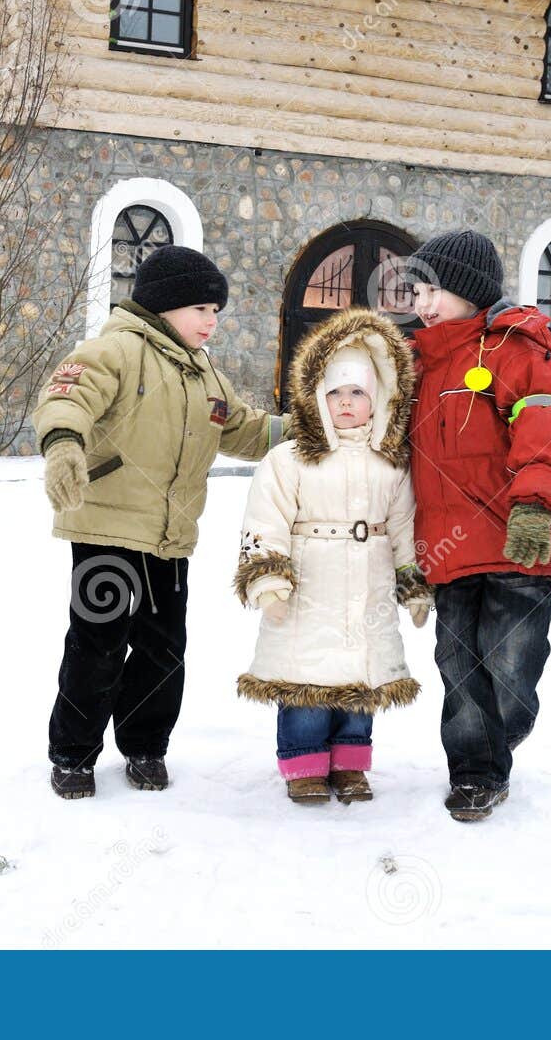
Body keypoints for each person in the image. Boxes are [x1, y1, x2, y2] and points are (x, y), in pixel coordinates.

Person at [34, 245, 286, 799]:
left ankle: (145, 746)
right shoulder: (115, 349)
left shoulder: (204, 373)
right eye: (201, 309)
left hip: (170, 537)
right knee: (97, 643)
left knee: (163, 649)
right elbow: (67, 397)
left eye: (216, 311)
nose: (212, 321)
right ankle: (73, 754)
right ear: (165, 305)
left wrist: (304, 430)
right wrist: (64, 443)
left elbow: (244, 429)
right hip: (107, 530)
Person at [405, 229, 551, 822]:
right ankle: (477, 771)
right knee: (458, 665)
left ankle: (504, 727)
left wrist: (534, 505)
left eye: (434, 290)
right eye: (416, 292)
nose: (423, 304)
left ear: (471, 290)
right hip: (449, 548)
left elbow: (547, 431)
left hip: (518, 540)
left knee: (509, 665)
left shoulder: (515, 349)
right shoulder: (421, 365)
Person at [233, 308, 432, 804]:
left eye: (358, 393)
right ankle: (303, 763)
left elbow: (406, 525)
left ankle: (350, 763)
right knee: (306, 674)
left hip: (370, 585)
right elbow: (265, 519)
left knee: (360, 676)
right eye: (335, 392)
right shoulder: (289, 458)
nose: (346, 402)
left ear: (379, 399)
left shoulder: (392, 464)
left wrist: (413, 584)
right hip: (308, 587)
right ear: (317, 396)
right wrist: (267, 580)